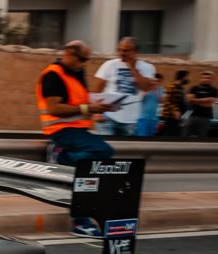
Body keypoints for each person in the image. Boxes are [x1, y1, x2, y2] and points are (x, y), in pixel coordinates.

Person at [35, 40, 118, 237]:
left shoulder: (77, 73)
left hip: (78, 130)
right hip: (61, 131)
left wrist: (99, 108)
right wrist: (88, 108)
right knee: (104, 152)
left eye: (86, 60)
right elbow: (55, 108)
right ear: (69, 54)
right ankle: (62, 157)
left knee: (88, 173)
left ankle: (82, 220)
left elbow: (80, 102)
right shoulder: (53, 74)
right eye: (81, 59)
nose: (84, 64)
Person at [93, 36, 157, 136]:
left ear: (136, 52)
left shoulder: (147, 67)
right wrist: (96, 112)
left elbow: (145, 88)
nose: (121, 53)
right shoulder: (109, 65)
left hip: (132, 120)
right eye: (119, 50)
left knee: (129, 150)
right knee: (106, 149)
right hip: (108, 117)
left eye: (126, 51)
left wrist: (132, 67)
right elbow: (97, 90)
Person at [185, 70, 217, 138]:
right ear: (200, 78)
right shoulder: (194, 88)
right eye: (203, 77)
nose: (205, 79)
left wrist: (195, 101)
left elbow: (209, 104)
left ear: (211, 79)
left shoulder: (214, 90)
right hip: (193, 116)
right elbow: (189, 100)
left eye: (207, 78)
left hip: (205, 118)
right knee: (186, 136)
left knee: (202, 138)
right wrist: (206, 100)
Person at [160, 70, 188, 136]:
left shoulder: (181, 88)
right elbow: (166, 100)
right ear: (182, 77)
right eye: (186, 77)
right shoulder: (171, 86)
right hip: (169, 117)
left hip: (177, 119)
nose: (187, 79)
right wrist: (175, 110)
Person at [136, 71, 163, 137]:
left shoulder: (160, 89)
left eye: (157, 81)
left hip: (154, 119)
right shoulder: (145, 88)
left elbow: (161, 101)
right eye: (154, 80)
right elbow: (140, 100)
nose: (155, 82)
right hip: (143, 118)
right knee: (142, 138)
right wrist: (146, 92)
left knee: (152, 139)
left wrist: (155, 91)